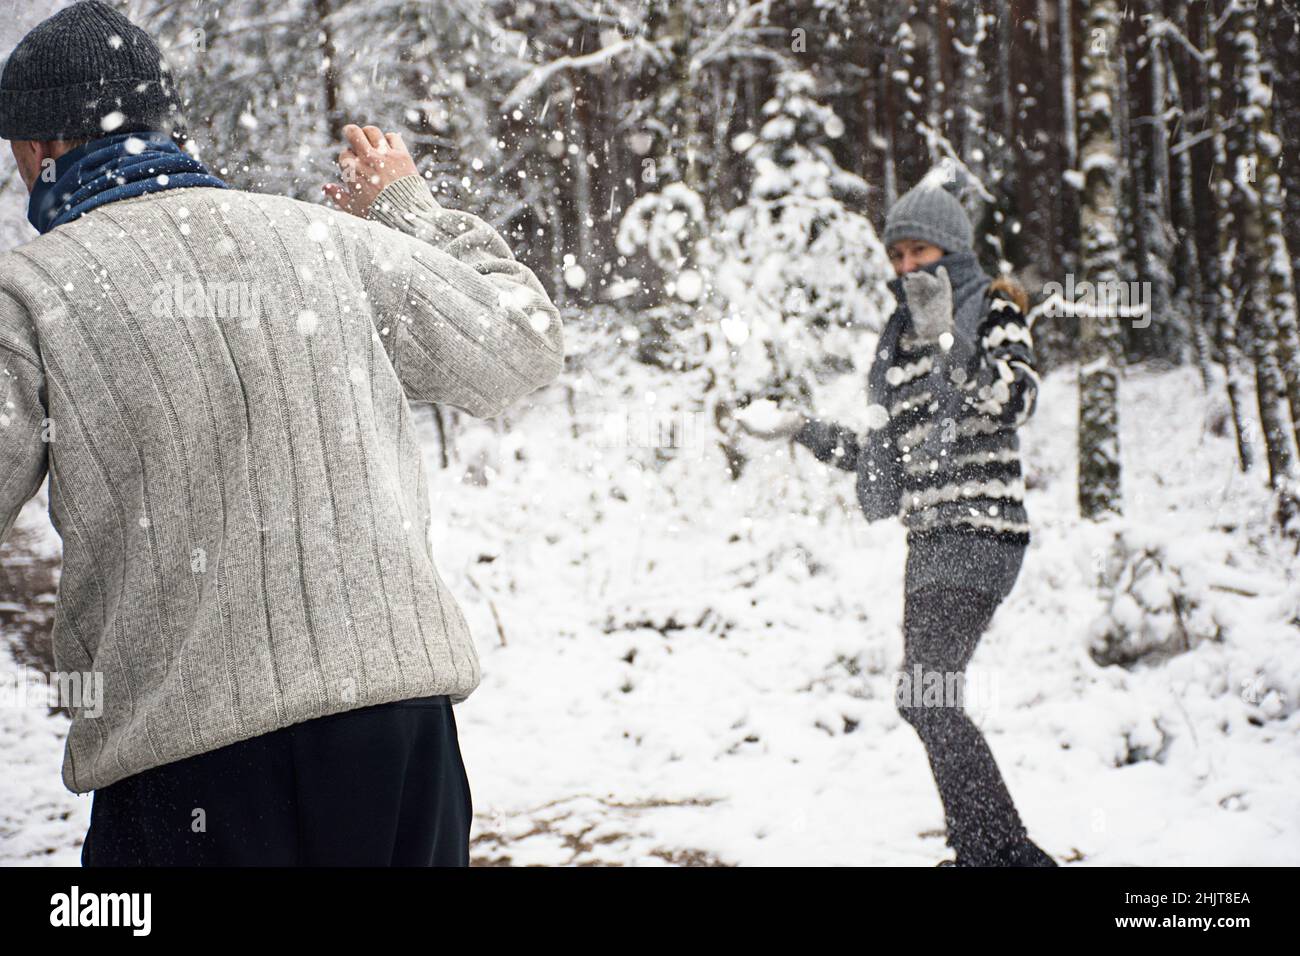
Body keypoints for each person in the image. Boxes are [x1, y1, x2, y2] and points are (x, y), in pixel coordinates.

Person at [0, 1, 564, 865]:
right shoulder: (324, 241)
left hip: (188, 756)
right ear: (162, 126)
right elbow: (520, 344)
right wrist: (407, 209)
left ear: (39, 151)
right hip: (395, 735)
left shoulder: (32, 291)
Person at [740, 176, 1055, 867]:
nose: (908, 268)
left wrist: (948, 339)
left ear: (951, 248)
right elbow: (886, 458)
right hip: (929, 542)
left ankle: (1005, 855)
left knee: (926, 691)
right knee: (925, 695)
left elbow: (1017, 398)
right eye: (898, 257)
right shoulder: (897, 340)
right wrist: (801, 428)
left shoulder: (991, 305)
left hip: (982, 531)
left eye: (920, 252)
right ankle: (986, 849)